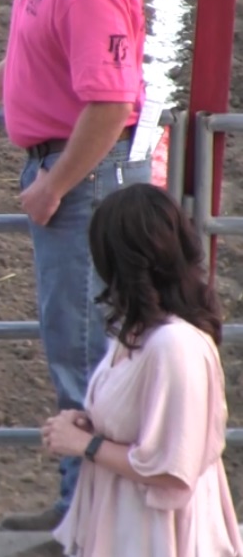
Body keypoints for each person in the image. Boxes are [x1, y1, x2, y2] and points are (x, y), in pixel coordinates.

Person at [0, 0, 151, 531]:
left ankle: (86, 517)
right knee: (81, 342)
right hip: (75, 170)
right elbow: (43, 38)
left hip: (79, 178)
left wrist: (54, 185)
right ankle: (84, 508)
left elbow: (111, 102)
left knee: (84, 347)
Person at [42, 183, 243, 557]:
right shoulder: (134, 331)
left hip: (156, 539)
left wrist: (87, 445)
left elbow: (172, 469)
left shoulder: (175, 348)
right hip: (128, 531)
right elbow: (142, 426)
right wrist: (91, 423)